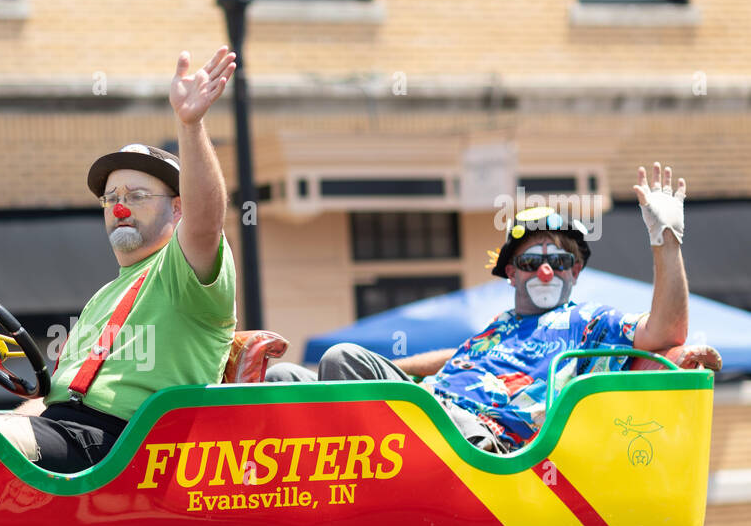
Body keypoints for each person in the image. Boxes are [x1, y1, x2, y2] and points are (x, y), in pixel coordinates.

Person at [267, 163, 691, 453]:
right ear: (511, 272)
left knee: (342, 359)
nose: (546, 271)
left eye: (559, 261)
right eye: (531, 261)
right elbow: (456, 357)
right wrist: (396, 368)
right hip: (428, 419)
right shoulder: (499, 328)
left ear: (575, 270)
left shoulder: (589, 321)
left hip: (481, 449)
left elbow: (667, 331)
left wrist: (665, 239)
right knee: (283, 377)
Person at [0, 48, 239, 472]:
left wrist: (190, 124)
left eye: (138, 196)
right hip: (65, 433)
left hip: (125, 450)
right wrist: (1, 423)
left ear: (178, 208)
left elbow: (206, 222)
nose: (120, 207)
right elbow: (57, 398)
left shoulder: (181, 271)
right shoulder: (105, 296)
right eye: (112, 199)